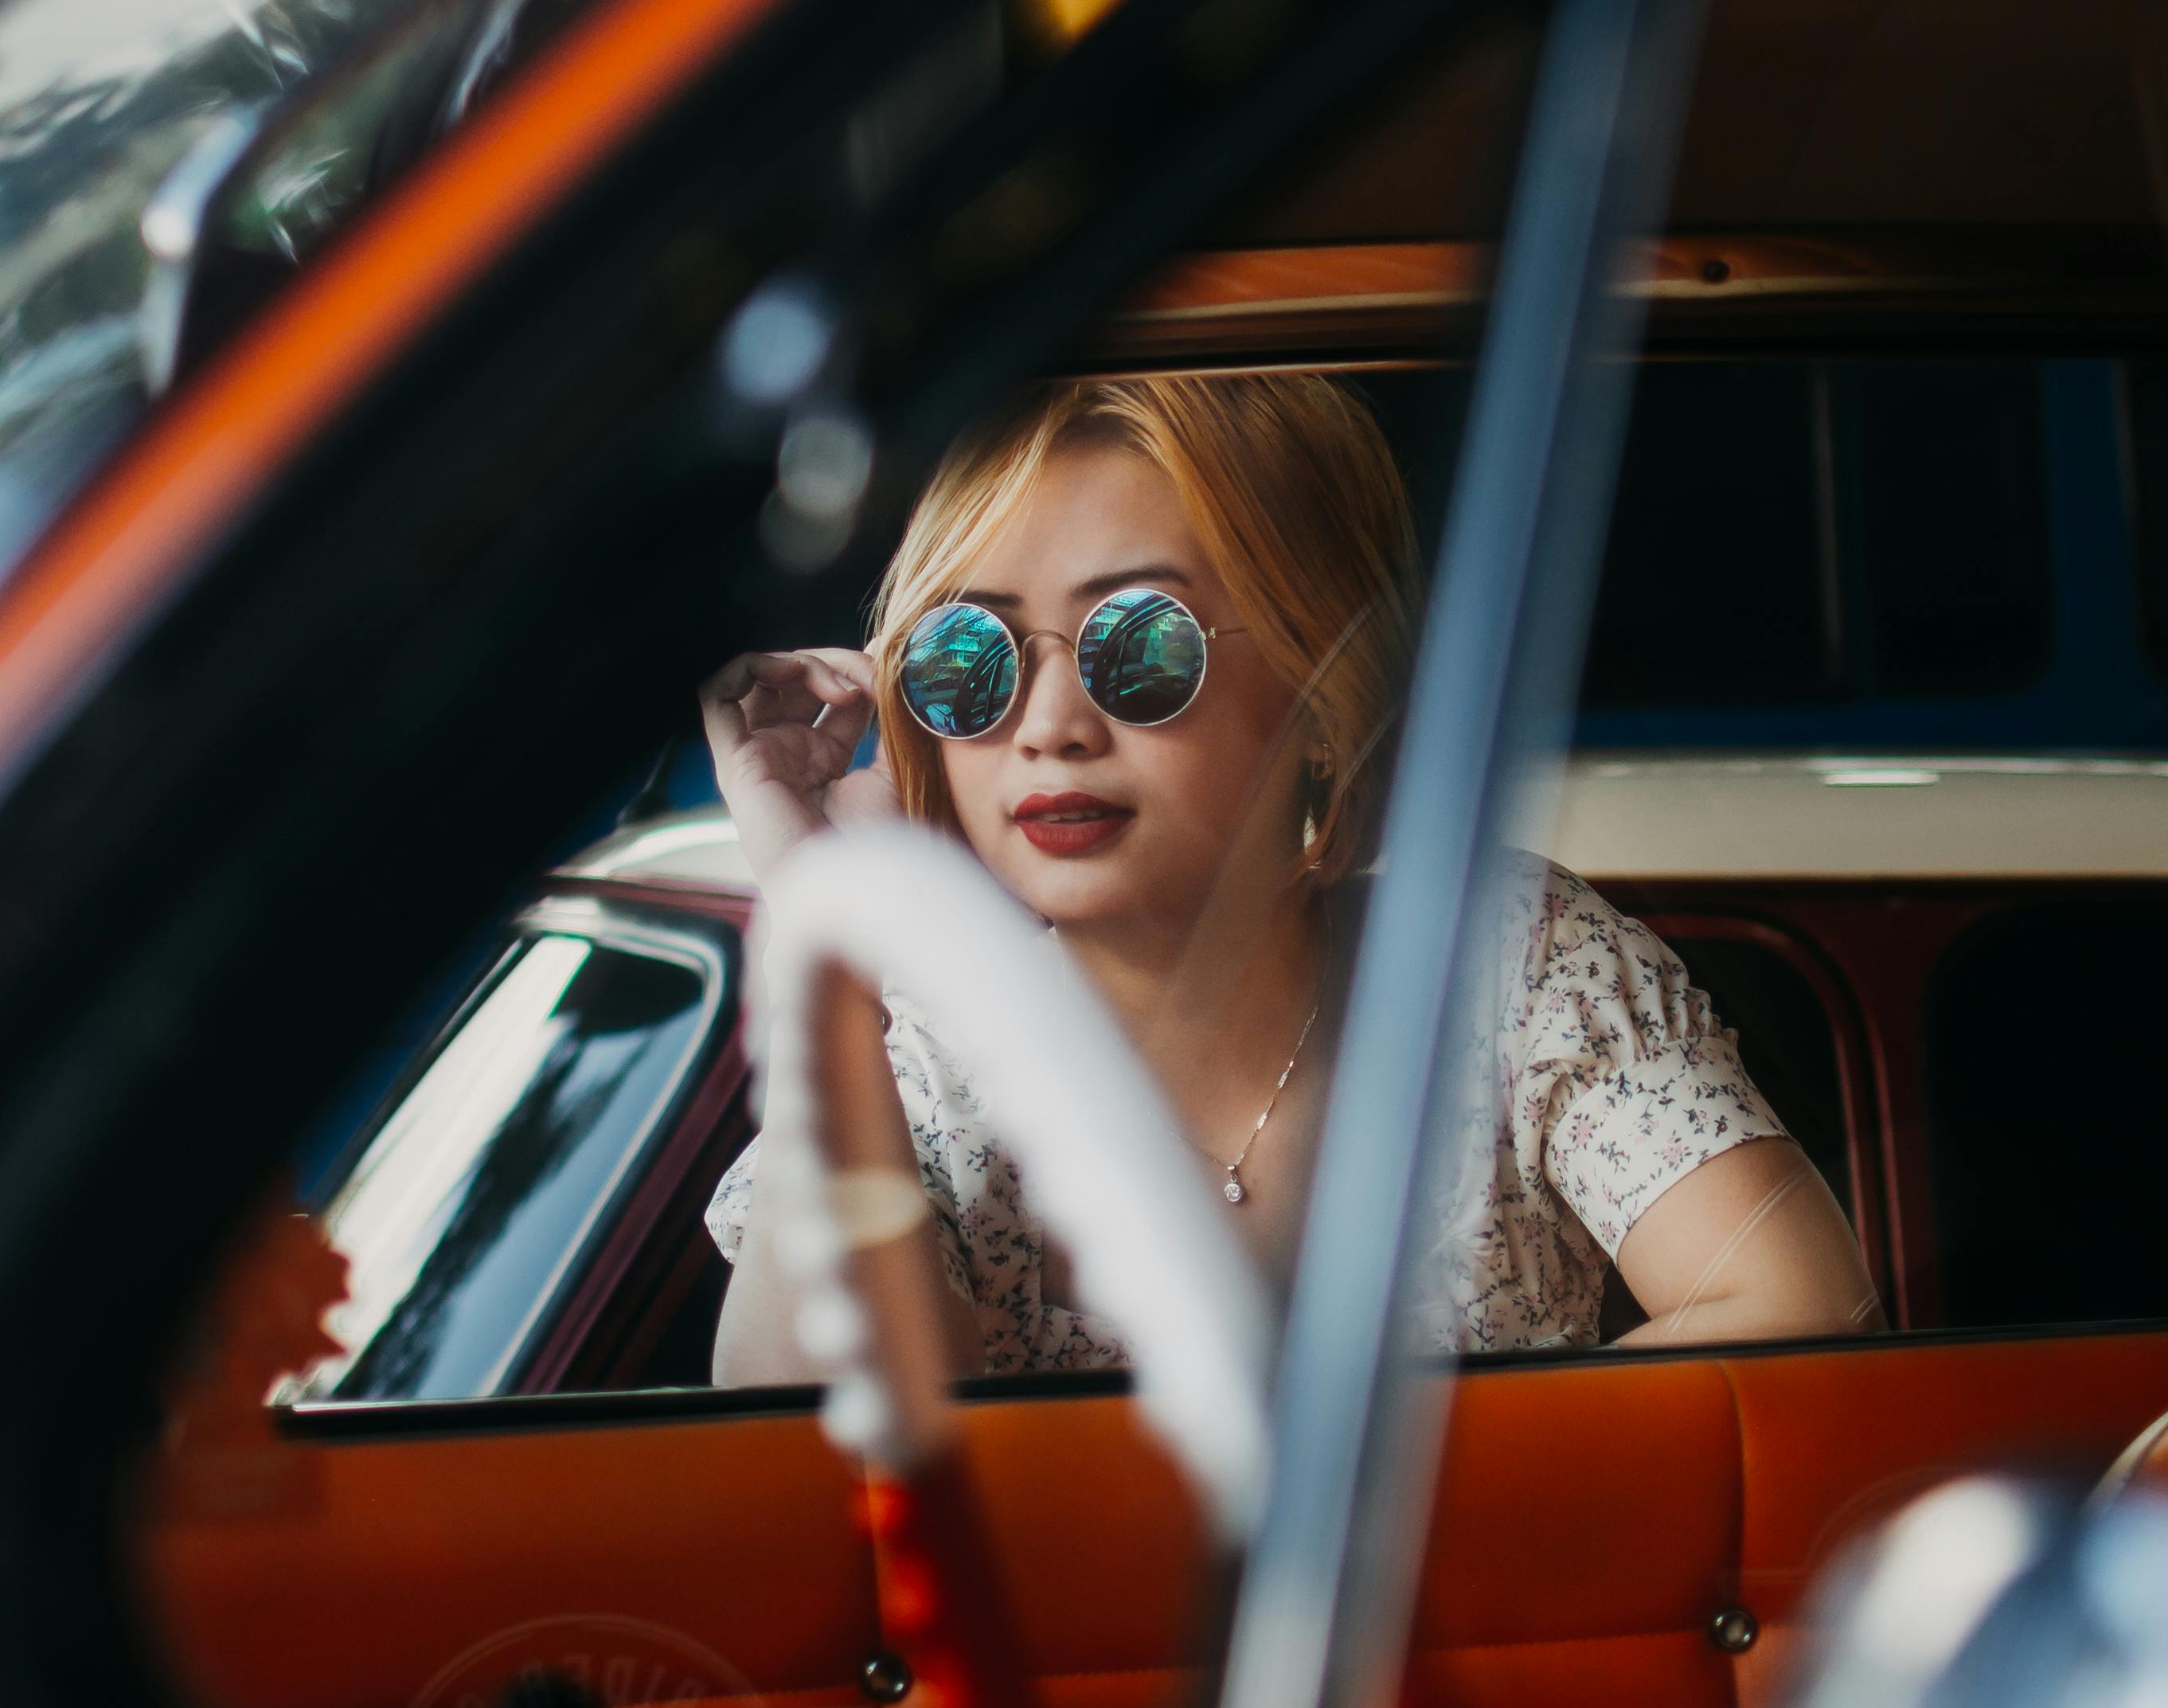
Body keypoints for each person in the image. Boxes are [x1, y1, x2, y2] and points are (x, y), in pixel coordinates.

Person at [702, 370, 1877, 1382]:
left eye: (1140, 643)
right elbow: (812, 1455)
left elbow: (1804, 1310)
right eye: (970, 657)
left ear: (1324, 699)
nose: (1047, 724)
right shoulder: (897, 1075)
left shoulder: (1500, 964)